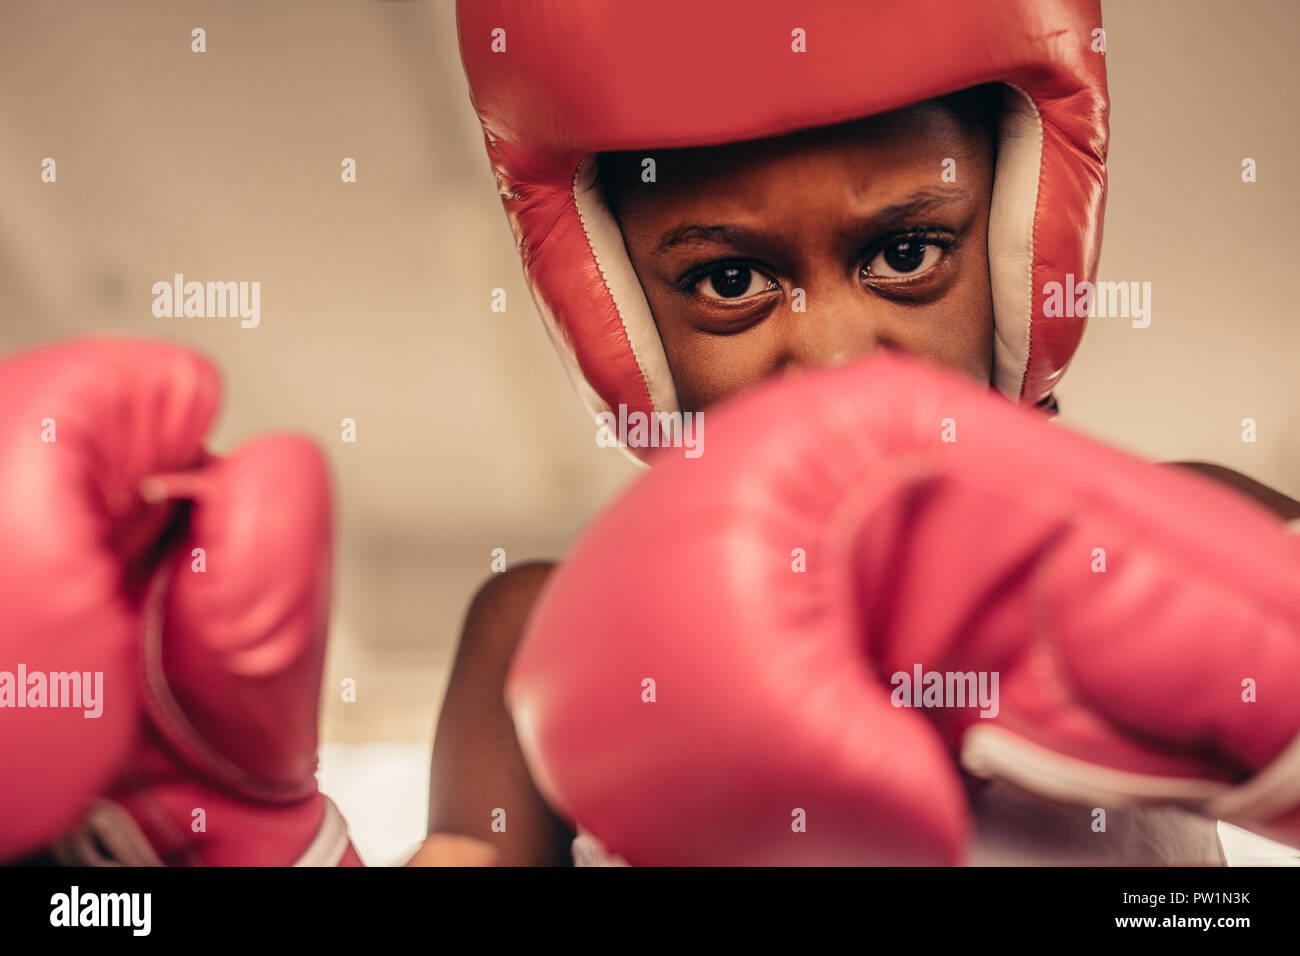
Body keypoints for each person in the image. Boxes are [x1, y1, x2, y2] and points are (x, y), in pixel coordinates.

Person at [419, 0, 1300, 865]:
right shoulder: (534, 632)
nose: (837, 354)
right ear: (623, 312)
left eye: (907, 254)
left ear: (1010, 246)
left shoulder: (1186, 532)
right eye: (731, 279)